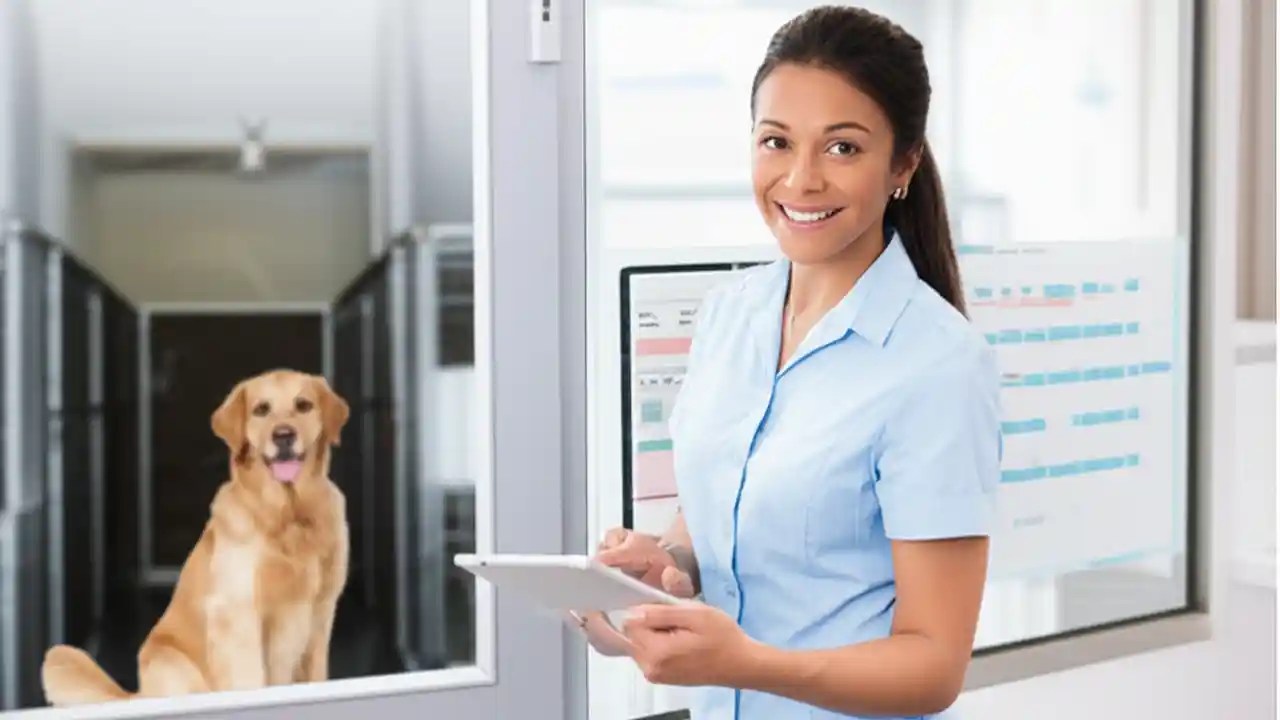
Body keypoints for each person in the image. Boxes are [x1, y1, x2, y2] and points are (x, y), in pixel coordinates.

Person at [570, 5, 1002, 720]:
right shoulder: (727, 316)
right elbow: (707, 525)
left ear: (903, 164)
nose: (800, 180)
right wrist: (667, 567)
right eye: (776, 142)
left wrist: (748, 662)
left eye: (842, 149)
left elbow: (933, 663)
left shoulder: (939, 366)